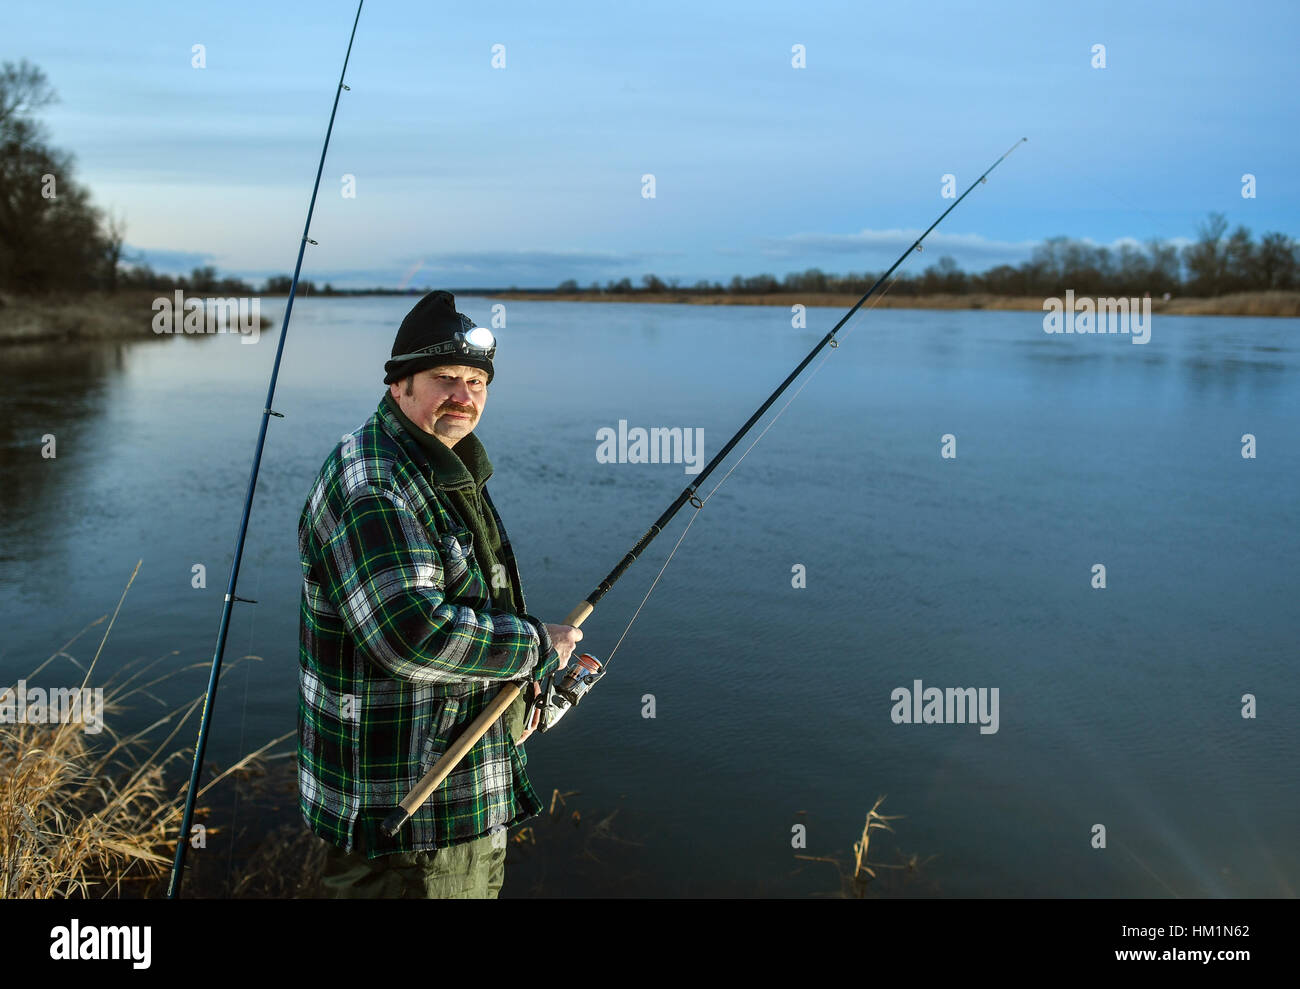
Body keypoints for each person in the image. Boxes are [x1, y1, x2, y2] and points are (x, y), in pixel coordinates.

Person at [297, 289, 582, 898]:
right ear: (400, 385)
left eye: (477, 381)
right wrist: (535, 645)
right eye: (445, 378)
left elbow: (470, 604)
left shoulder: (437, 462)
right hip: (410, 816)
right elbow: (410, 634)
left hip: (448, 797)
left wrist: (517, 696)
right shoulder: (376, 483)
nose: (465, 396)